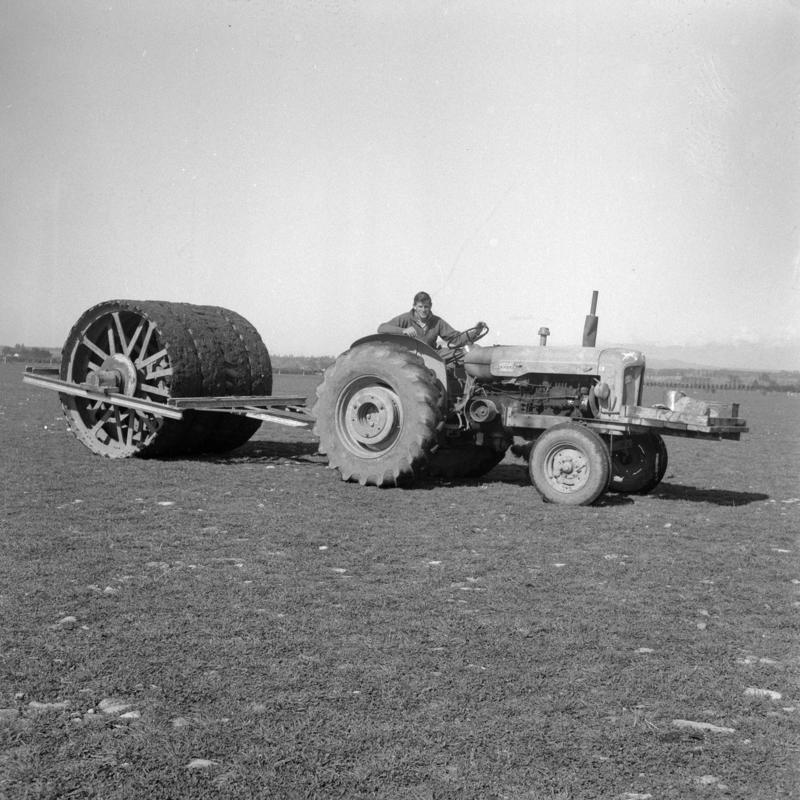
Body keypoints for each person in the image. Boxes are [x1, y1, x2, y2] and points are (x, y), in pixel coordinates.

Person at [378, 291, 481, 349]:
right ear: (414, 306)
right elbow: (382, 328)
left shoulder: (437, 322)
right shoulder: (406, 318)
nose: (423, 310)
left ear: (430, 306)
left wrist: (475, 332)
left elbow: (456, 339)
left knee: (464, 354)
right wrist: (403, 331)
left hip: (432, 356)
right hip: (410, 356)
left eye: (426, 307)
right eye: (420, 306)